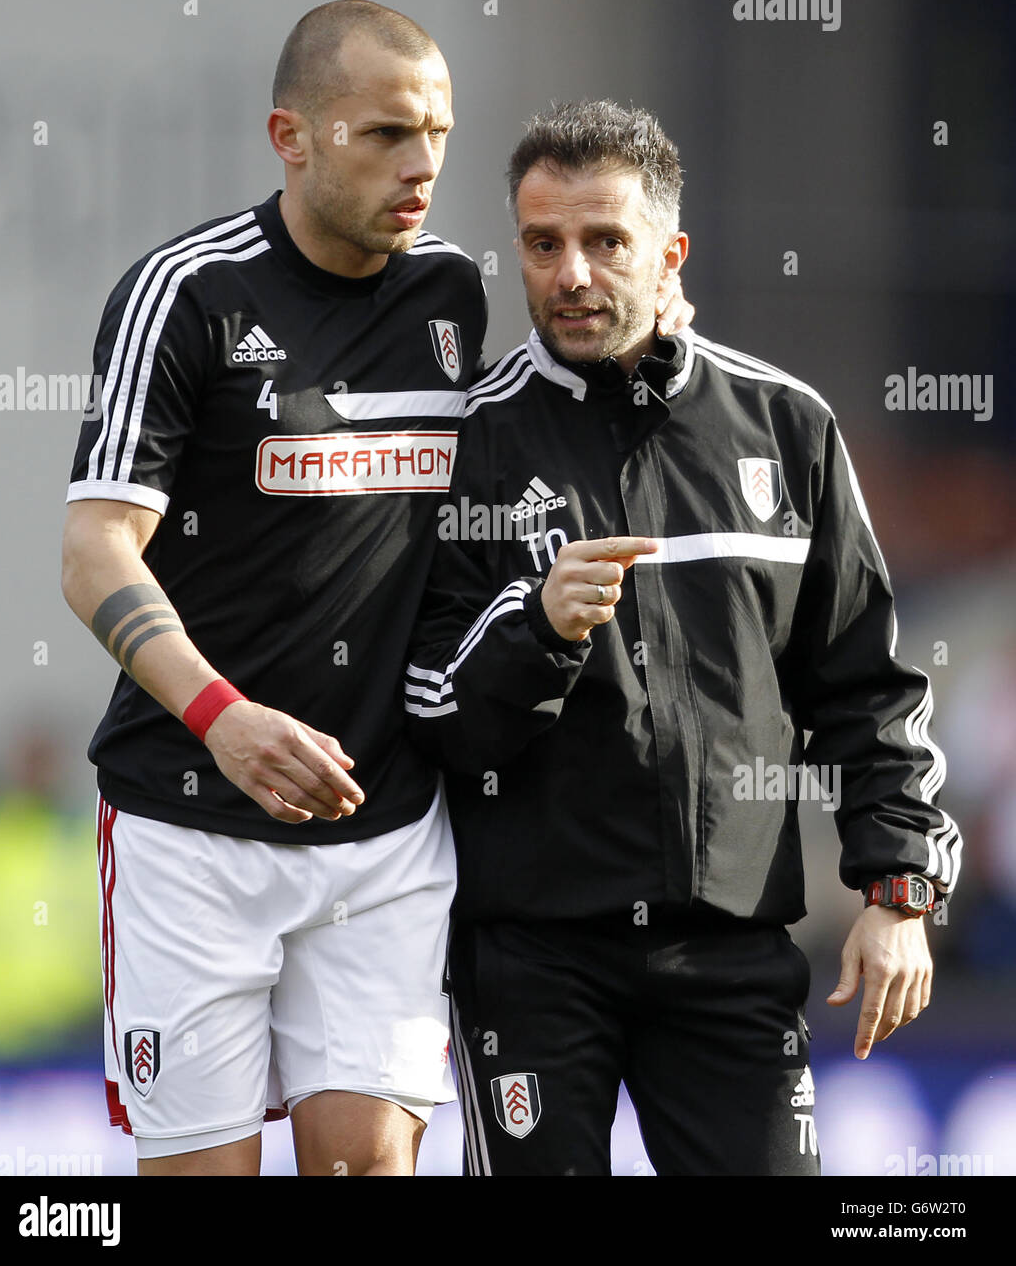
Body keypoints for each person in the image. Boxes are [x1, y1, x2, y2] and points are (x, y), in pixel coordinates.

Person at [62, 5, 693, 1177]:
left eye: (439, 134)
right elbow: (96, 548)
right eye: (387, 135)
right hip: (191, 816)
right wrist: (223, 716)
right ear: (290, 135)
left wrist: (658, 338)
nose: (422, 168)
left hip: (385, 823)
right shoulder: (186, 296)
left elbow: (555, 383)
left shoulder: (450, 293)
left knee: (364, 1164)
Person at [404, 99, 962, 1176]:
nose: (571, 273)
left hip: (732, 949)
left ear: (670, 251)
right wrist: (534, 631)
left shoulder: (786, 424)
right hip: (530, 955)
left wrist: (898, 890)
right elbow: (427, 711)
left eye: (605, 240)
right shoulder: (464, 443)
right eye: (542, 242)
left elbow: (867, 687)